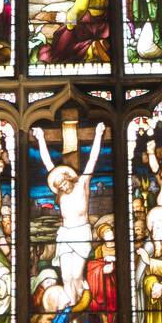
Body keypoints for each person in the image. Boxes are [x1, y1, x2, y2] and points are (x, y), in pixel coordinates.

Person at [32, 122, 106, 305]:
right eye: (59, 186)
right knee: (66, 276)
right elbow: (48, 162)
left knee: (76, 275)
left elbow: (92, 160)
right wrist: (41, 138)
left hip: (81, 232)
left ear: (68, 177)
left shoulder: (82, 183)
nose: (63, 186)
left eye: (63, 182)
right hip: (65, 234)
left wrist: (98, 134)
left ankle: (80, 300)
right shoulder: (60, 194)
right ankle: (70, 311)